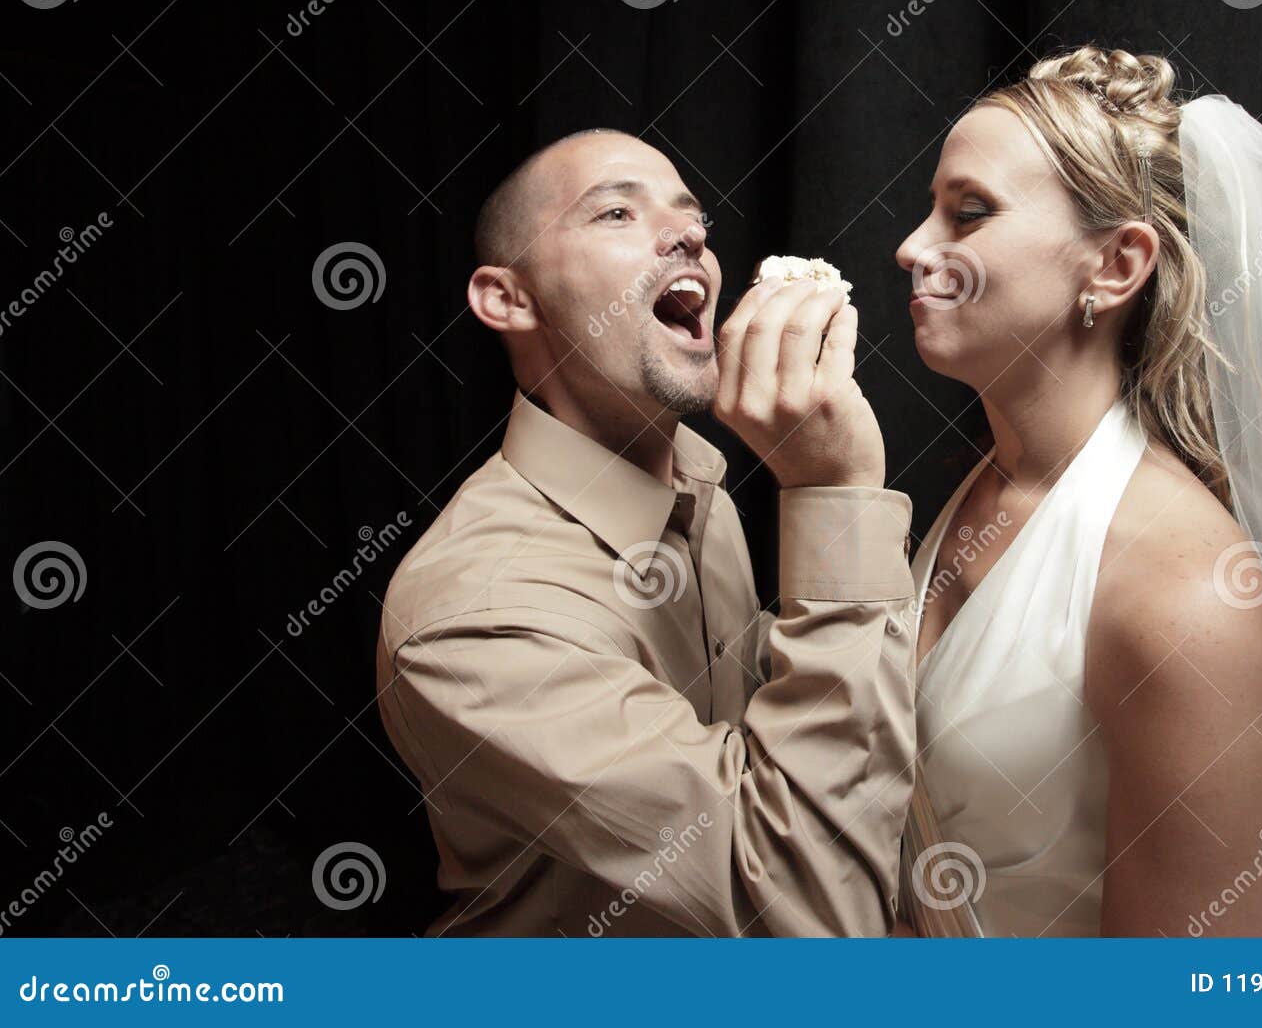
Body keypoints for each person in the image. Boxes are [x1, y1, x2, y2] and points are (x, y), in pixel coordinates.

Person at [892, 48, 1262, 938]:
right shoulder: (985, 483)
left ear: (1117, 265)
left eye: (967, 214)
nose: (912, 248)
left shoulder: (1186, 592)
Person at [376, 128, 917, 936]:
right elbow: (805, 916)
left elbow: (753, 721)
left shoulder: (700, 482)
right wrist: (832, 494)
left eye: (693, 217)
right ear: (507, 298)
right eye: (617, 214)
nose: (691, 235)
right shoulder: (472, 613)